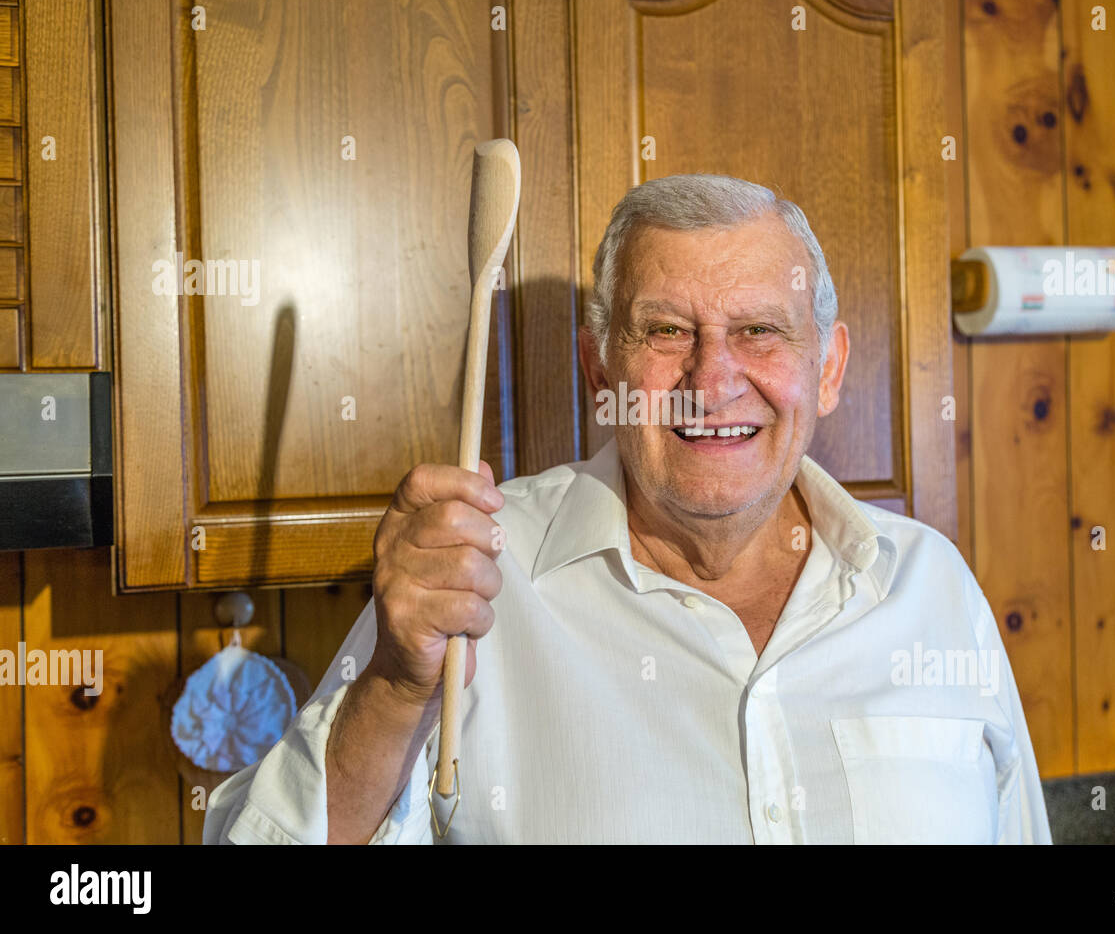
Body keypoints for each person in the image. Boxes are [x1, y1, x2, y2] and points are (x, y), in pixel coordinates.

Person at [205, 174, 1052, 844]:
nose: (712, 380)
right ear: (600, 371)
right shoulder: (471, 576)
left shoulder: (930, 587)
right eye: (666, 332)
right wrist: (394, 687)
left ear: (826, 371)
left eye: (759, 329)